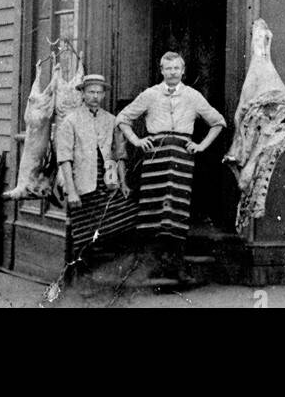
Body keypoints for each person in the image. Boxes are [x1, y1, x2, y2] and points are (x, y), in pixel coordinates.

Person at [115, 51, 226, 278]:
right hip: (155, 156)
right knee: (153, 209)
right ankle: (150, 267)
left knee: (177, 210)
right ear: (162, 70)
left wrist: (202, 145)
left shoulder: (193, 96)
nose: (173, 72)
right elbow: (122, 118)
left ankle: (175, 267)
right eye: (168, 68)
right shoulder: (150, 94)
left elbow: (218, 122)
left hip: (182, 159)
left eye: (176, 68)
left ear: (183, 71)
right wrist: (136, 140)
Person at [55, 74, 137, 271]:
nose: (95, 96)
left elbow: (120, 155)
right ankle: (81, 279)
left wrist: (123, 183)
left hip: (108, 183)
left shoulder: (111, 120)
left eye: (99, 92)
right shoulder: (70, 121)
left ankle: (109, 274)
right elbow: (64, 158)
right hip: (83, 185)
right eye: (91, 92)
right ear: (82, 93)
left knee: (125, 220)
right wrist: (72, 191)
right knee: (84, 233)